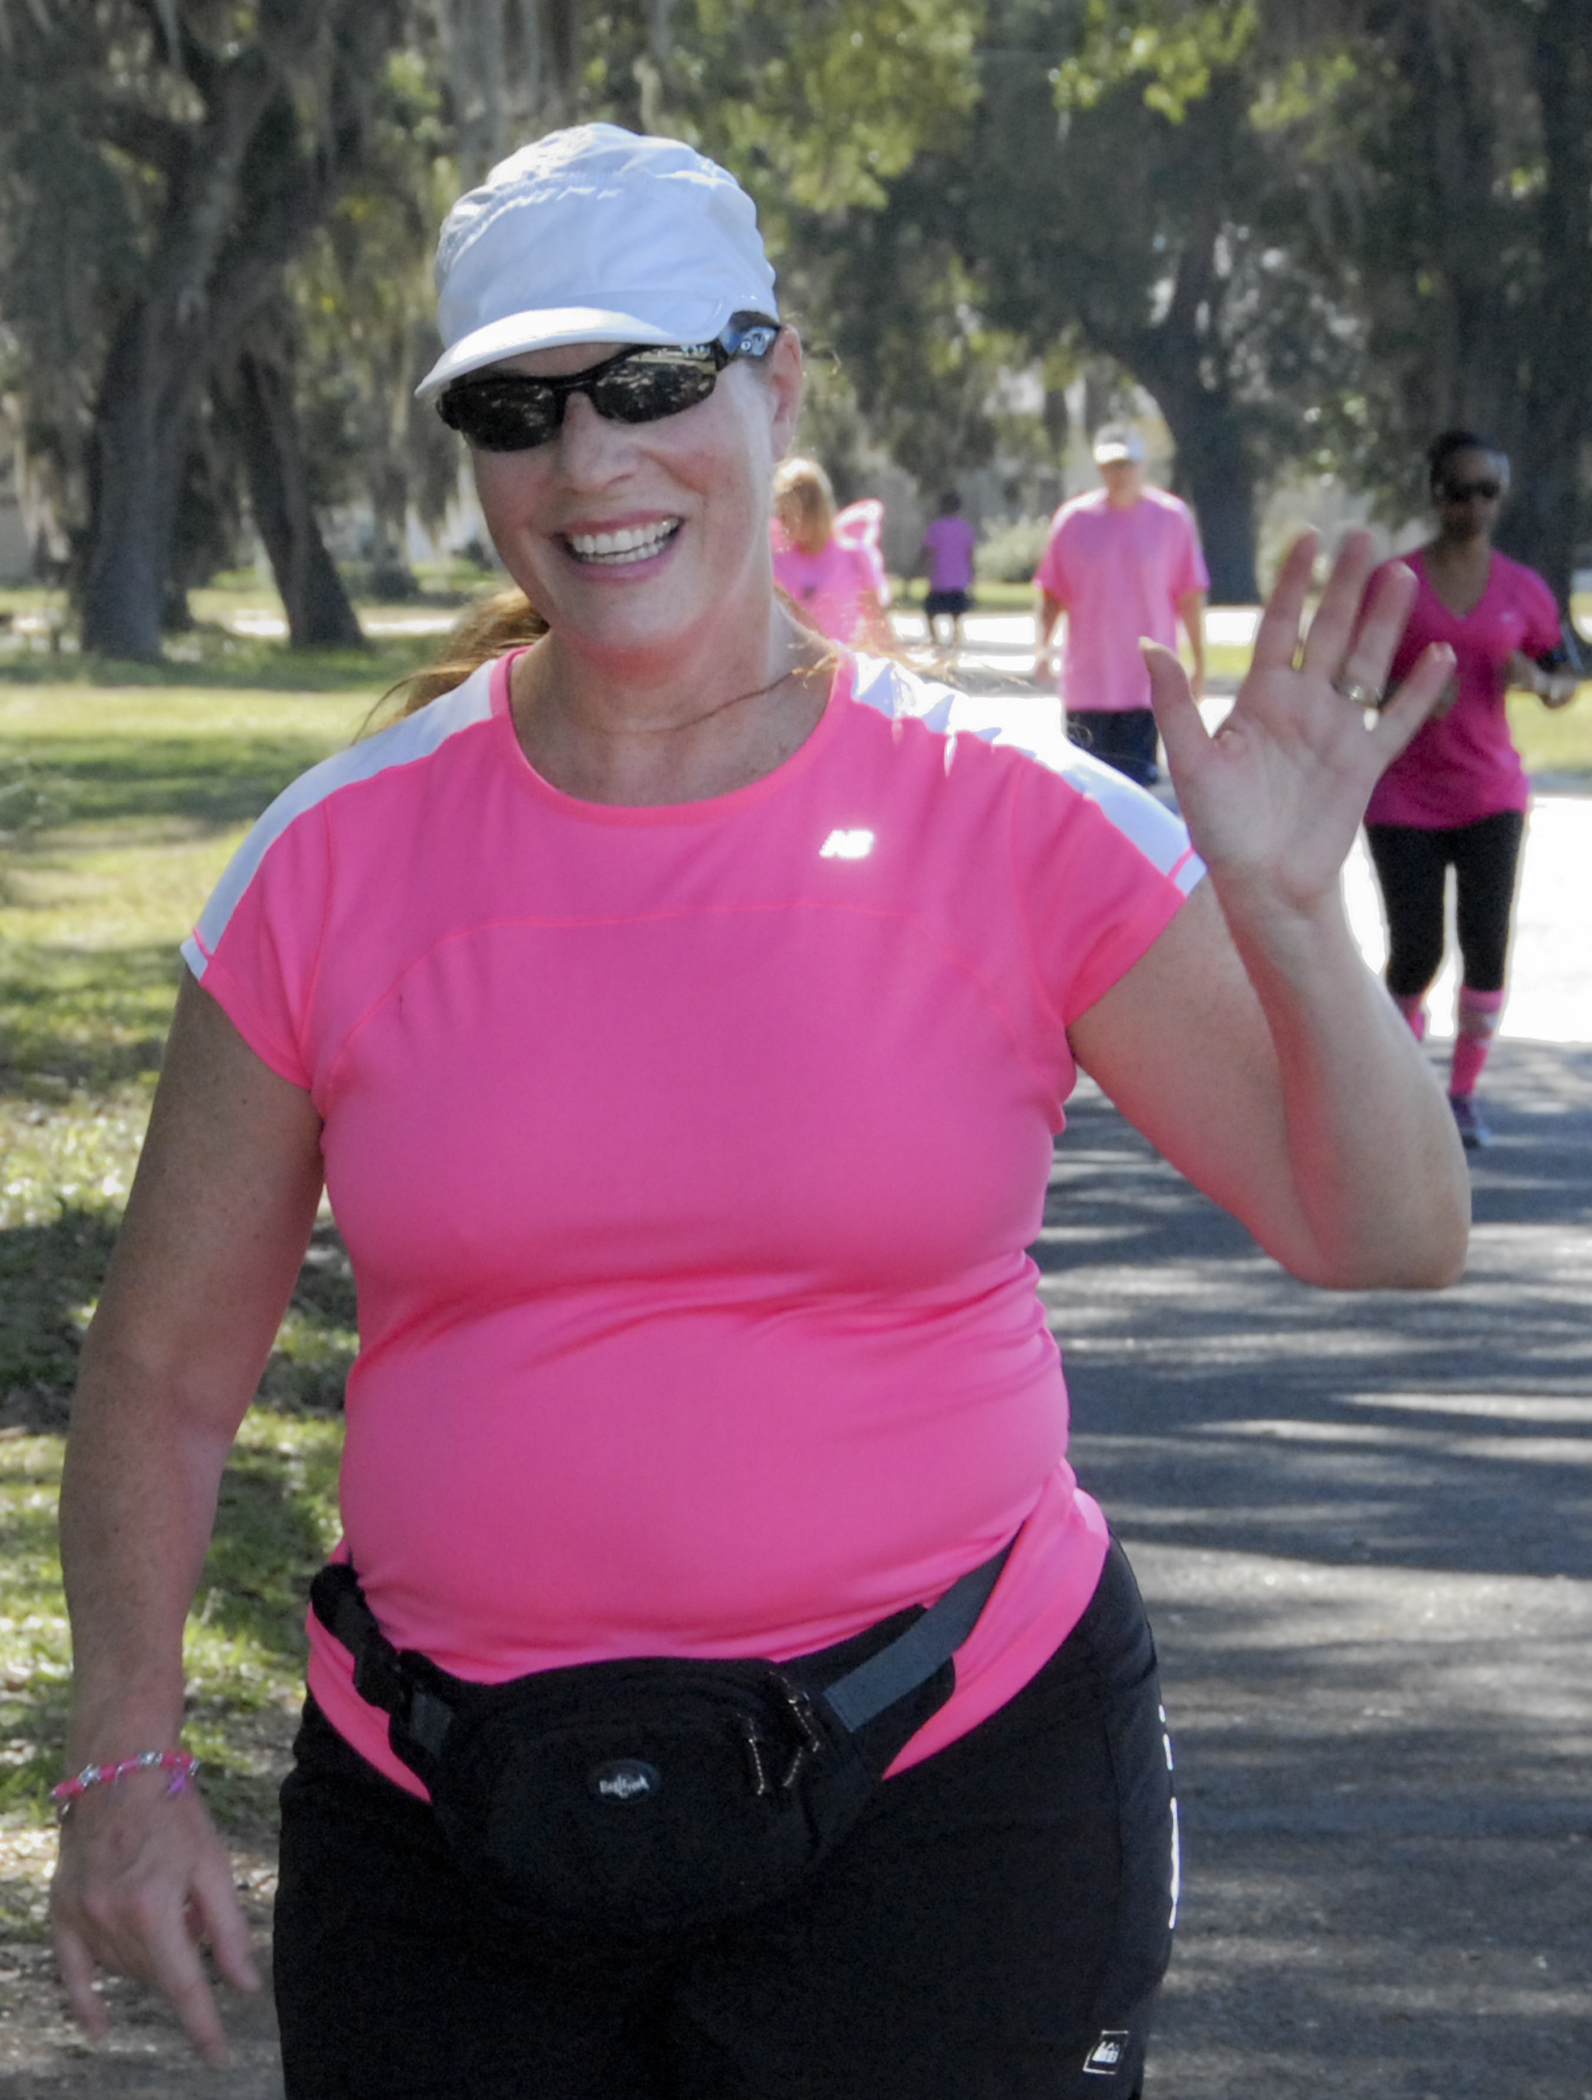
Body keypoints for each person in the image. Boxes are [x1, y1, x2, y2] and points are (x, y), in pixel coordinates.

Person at [49, 122, 1468, 2100]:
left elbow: (1383, 1232)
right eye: (519, 410)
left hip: (945, 1803)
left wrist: (1300, 923)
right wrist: (122, 1758)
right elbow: (163, 1371)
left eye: (648, 383)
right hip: (446, 1836)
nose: (589, 463)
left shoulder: (1009, 823)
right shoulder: (331, 860)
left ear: (776, 380)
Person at [1363, 429, 1579, 1149]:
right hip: (1403, 796)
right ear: (1436, 494)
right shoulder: (1396, 582)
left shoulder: (1524, 588)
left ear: (1502, 495)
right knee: (1416, 951)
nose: (1474, 506)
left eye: (1487, 491)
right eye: (1460, 492)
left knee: (1485, 946)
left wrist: (1540, 680)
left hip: (1491, 795)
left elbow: (1563, 676)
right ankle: (1403, 1091)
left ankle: (1460, 1095)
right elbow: (1345, 679)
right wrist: (1405, 692)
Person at [1034, 424, 1209, 788]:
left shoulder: (1171, 519)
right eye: (1112, 465)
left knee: (1135, 789)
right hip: (1088, 682)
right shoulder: (1073, 520)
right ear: (1100, 468)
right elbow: (1052, 593)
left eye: (1128, 464)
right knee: (1085, 790)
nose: (1121, 473)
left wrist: (1198, 665)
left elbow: (1189, 596)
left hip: (1144, 683)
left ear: (1143, 465)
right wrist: (1042, 649)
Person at [771, 455, 893, 648]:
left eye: (788, 515)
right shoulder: (774, 558)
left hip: (841, 662)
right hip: (791, 663)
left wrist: (892, 659)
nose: (782, 522)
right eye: (781, 514)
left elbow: (878, 625)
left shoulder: (853, 556)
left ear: (812, 510)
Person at [918, 489, 978, 660]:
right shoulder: (965, 529)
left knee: (930, 613)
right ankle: (954, 647)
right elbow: (971, 556)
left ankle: (937, 643)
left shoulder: (935, 528)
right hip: (960, 581)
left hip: (940, 580)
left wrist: (916, 572)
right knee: (957, 617)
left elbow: (926, 552)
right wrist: (973, 580)